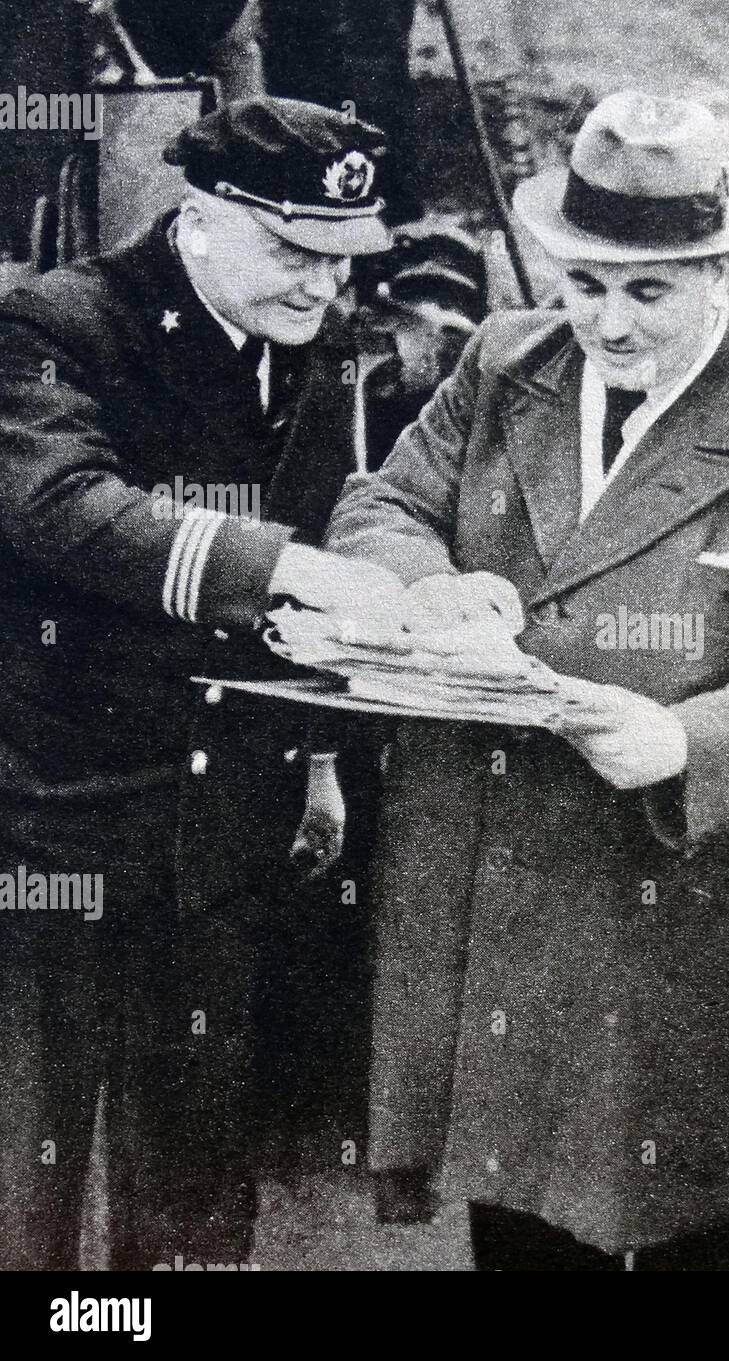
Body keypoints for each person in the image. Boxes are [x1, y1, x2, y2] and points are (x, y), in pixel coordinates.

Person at [322, 89, 729, 1270]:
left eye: (648, 289)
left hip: (668, 908)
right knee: (518, 1221)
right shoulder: (500, 359)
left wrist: (684, 741)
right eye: (584, 283)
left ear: (719, 269)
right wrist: (423, 582)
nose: (607, 322)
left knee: (681, 1219)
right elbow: (382, 501)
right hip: (490, 883)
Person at [0, 95, 407, 1269]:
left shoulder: (315, 344)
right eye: (294, 251)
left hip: (228, 818)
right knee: (27, 1166)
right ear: (204, 214)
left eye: (345, 260)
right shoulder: (57, 324)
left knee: (190, 1165)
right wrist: (282, 569)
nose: (324, 289)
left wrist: (323, 761)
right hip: (56, 825)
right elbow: (61, 510)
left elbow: (329, 507)